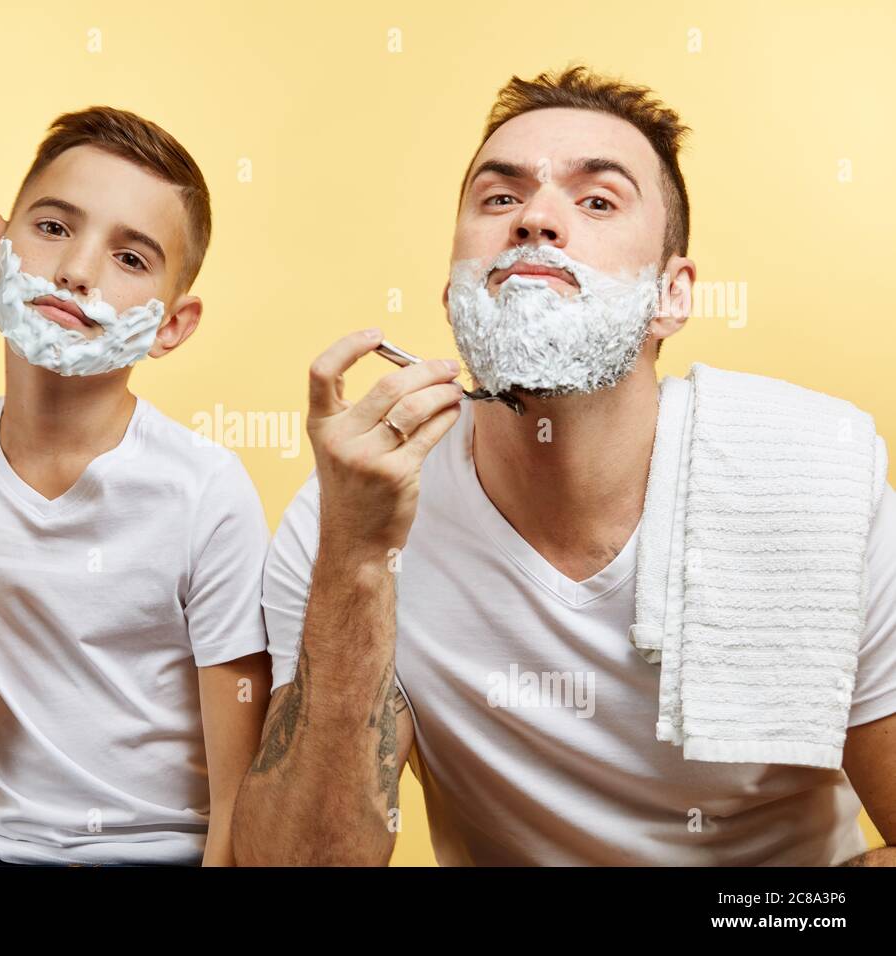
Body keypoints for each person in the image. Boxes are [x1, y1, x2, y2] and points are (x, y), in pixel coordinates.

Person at [233, 66, 896, 866]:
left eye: (597, 201)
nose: (537, 219)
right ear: (453, 292)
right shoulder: (355, 508)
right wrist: (358, 555)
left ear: (671, 296)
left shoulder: (812, 487)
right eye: (501, 198)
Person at [0, 106, 273, 866]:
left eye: (131, 259)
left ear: (170, 326)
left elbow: (238, 795)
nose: (77, 271)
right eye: (54, 228)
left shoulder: (204, 492)